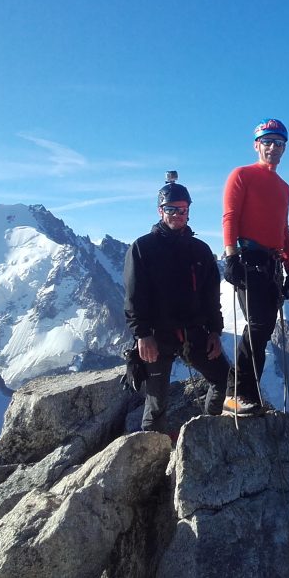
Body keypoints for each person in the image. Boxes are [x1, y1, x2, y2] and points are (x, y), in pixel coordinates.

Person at [124, 172, 230, 434]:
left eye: (182, 209)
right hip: (157, 337)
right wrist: (142, 335)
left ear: (189, 211)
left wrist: (215, 331)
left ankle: (207, 434)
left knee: (225, 379)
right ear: (161, 210)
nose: (177, 214)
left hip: (194, 333)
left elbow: (210, 297)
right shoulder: (142, 248)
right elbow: (134, 296)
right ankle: (153, 458)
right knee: (156, 402)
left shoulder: (201, 250)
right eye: (171, 209)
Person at [221, 118, 289, 416]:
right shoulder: (241, 175)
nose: (273, 148)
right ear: (257, 145)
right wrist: (231, 257)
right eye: (267, 142)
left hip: (271, 263)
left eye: (279, 143)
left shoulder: (284, 187)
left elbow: (284, 229)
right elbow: (230, 216)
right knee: (257, 325)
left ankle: (248, 394)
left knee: (263, 329)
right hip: (250, 258)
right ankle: (235, 393)